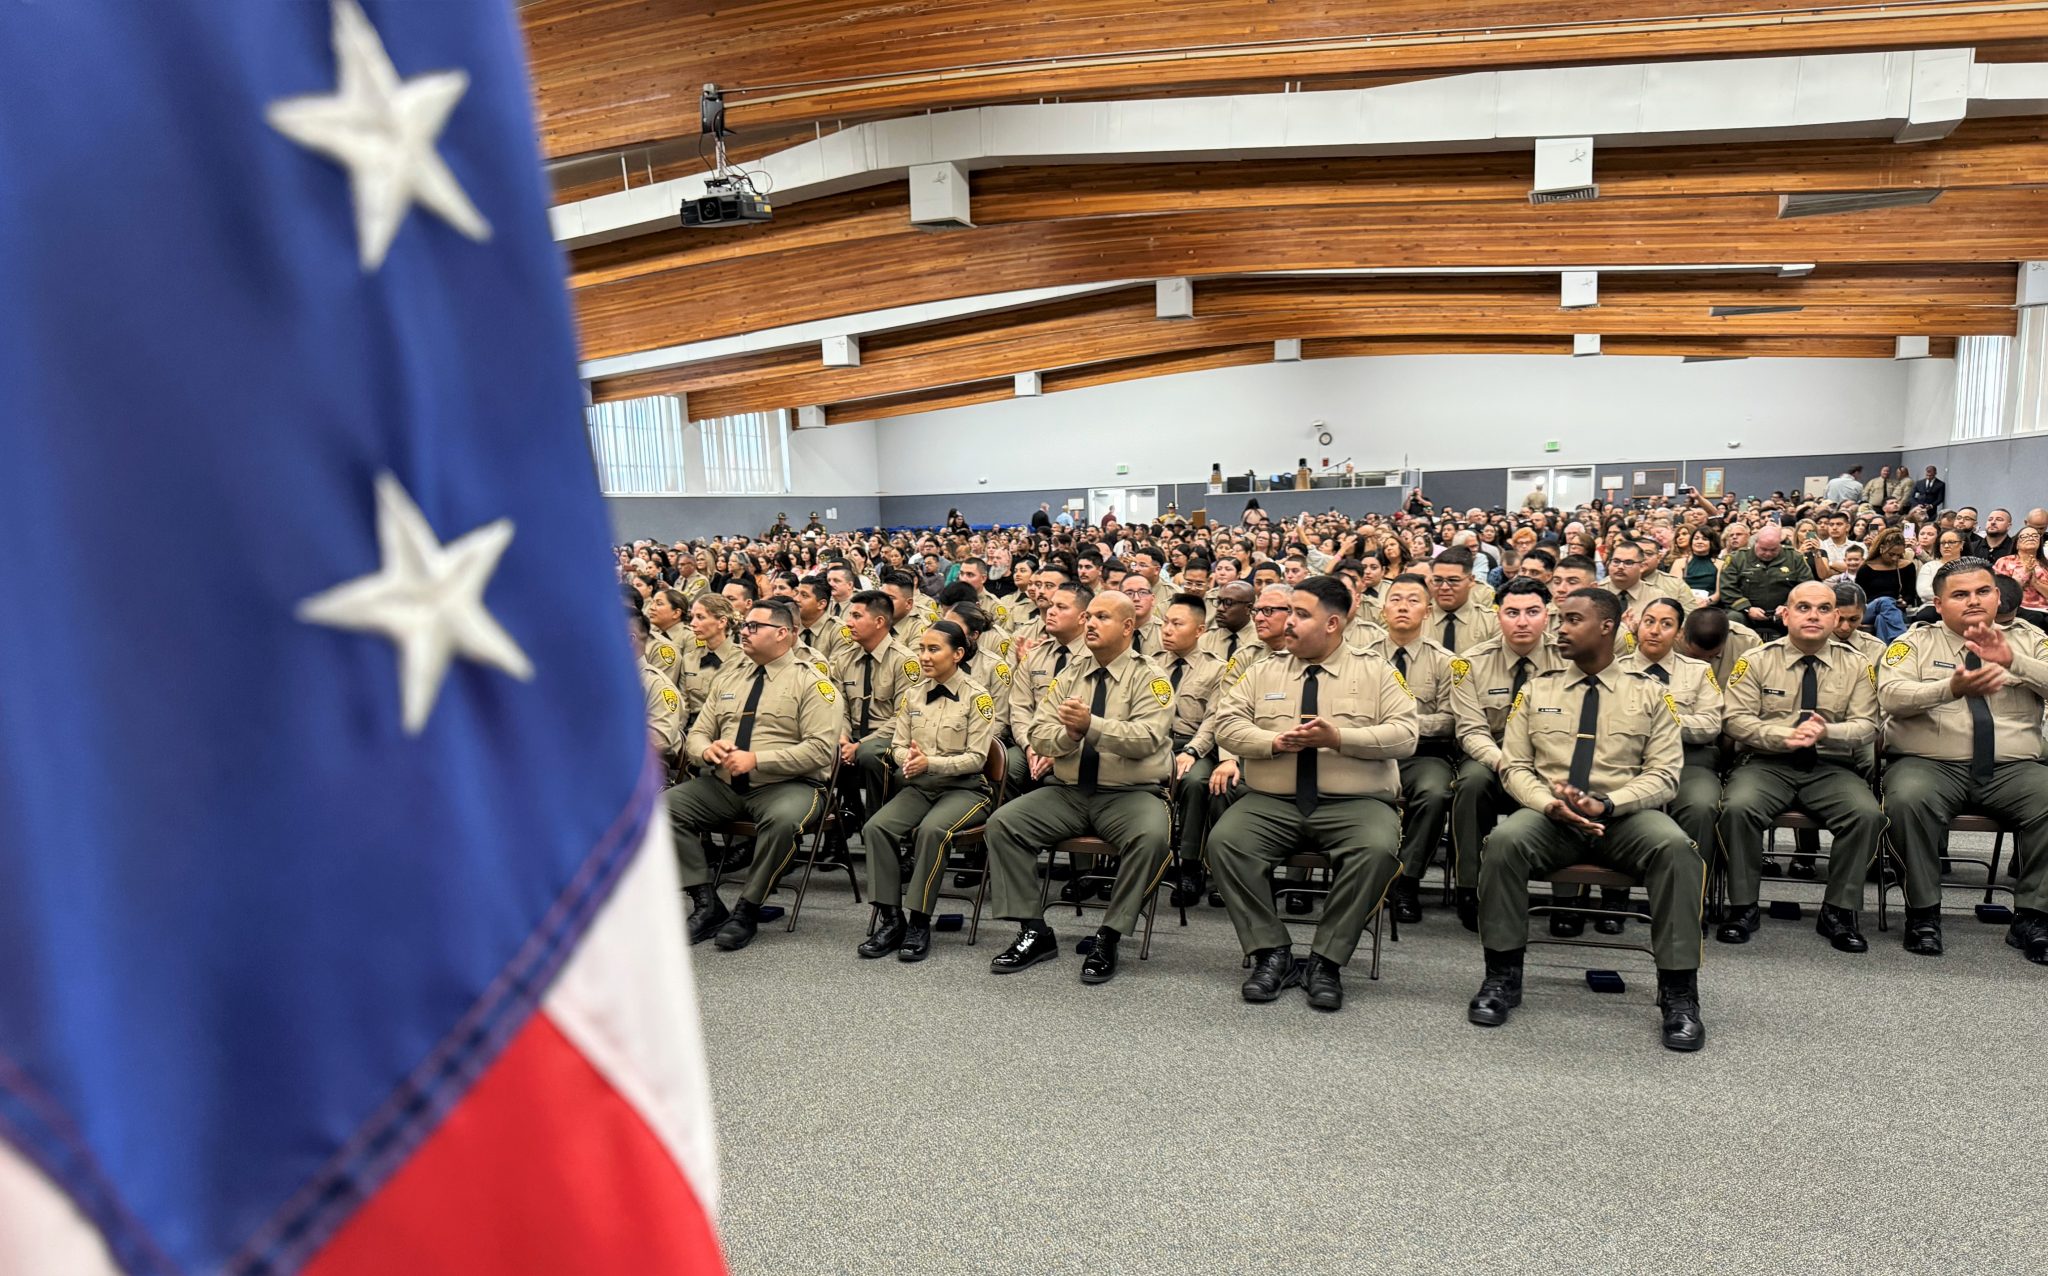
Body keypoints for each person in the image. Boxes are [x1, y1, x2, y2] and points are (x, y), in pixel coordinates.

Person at [1467, 587, 1706, 1053]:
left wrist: (1610, 803)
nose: (1561, 629)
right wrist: (1547, 804)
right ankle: (1502, 976)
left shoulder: (1651, 694)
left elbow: (1665, 775)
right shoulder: (1538, 690)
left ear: (1607, 627)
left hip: (1623, 818)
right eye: (1560, 619)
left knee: (1677, 849)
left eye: (1573, 619)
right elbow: (1514, 766)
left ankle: (1679, 993)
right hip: (1550, 818)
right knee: (1503, 842)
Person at [1208, 576, 1418, 1011]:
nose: (1288, 622)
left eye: (1301, 614)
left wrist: (1339, 737)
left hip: (1355, 803)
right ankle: (1272, 952)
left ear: (1333, 623)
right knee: (1226, 843)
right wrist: (1273, 742)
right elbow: (1227, 724)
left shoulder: (1375, 671)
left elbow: (1406, 735)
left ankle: (1326, 960)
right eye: (1289, 612)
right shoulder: (1263, 670)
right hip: (1272, 801)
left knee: (1377, 850)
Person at [982, 591, 1173, 984]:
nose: (1090, 623)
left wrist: (1091, 727)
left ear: (1127, 626)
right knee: (1004, 823)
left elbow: (1148, 738)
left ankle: (1110, 934)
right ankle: (1034, 931)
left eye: (1102, 617)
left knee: (1153, 836)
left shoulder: (1151, 676)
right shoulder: (1070, 673)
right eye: (1088, 616)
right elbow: (1039, 733)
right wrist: (1069, 736)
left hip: (1129, 794)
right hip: (1068, 790)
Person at [1878, 557, 2048, 963]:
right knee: (1906, 801)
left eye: (1982, 591)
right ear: (1939, 604)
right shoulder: (1914, 642)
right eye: (1960, 594)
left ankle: (2033, 916)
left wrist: (2014, 662)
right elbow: (1890, 696)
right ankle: (1923, 913)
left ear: (1997, 594)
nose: (1974, 601)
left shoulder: (2032, 640)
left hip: (2013, 768)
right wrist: (1949, 687)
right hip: (1930, 764)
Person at [668, 598, 845, 950]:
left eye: (753, 626)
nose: (743, 632)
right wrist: (706, 750)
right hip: (725, 784)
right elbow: (698, 732)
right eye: (744, 625)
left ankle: (747, 910)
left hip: (787, 786)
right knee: (660, 810)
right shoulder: (730, 677)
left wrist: (758, 760)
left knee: (781, 823)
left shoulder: (813, 684)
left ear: (782, 633)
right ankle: (707, 904)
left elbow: (820, 751)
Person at [1716, 581, 1883, 952]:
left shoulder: (1856, 665)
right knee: (1738, 808)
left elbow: (1868, 724)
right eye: (1804, 608)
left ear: (1836, 617)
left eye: (1824, 609)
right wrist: (1781, 736)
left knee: (1866, 814)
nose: (1814, 615)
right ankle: (1743, 906)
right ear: (1786, 615)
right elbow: (1735, 719)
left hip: (1831, 765)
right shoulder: (1757, 660)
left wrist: (1827, 732)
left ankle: (1839, 911)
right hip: (1766, 761)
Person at [857, 622, 999, 962]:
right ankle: (892, 920)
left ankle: (920, 922)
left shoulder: (978, 698)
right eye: (921, 648)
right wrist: (912, 759)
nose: (923, 656)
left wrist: (929, 762)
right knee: (876, 828)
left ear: (958, 654)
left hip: (964, 790)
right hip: (920, 787)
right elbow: (897, 746)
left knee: (933, 831)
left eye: (933, 649)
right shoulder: (913, 695)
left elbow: (977, 759)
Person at [1447, 578, 1563, 929]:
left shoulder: (1568, 660)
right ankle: (1472, 886)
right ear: (1499, 616)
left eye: (1532, 612)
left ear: (1548, 616)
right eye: (1512, 612)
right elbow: (1470, 730)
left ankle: (1567, 898)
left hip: (1549, 760)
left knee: (1577, 780)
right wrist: (1505, 763)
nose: (1522, 621)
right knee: (1469, 784)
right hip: (1493, 758)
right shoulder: (1470, 664)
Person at [1616, 598, 1723, 931]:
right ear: (1636, 626)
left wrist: (1664, 721)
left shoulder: (1698, 671)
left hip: (1685, 762)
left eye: (1666, 623)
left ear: (1678, 632)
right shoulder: (1613, 668)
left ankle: (1690, 901)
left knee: (1702, 805)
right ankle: (1614, 898)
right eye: (1649, 621)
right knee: (1611, 795)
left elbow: (1710, 724)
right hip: (1628, 762)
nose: (1655, 630)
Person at [1364, 573, 1459, 924]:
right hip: (1370, 752)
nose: (1403, 606)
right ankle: (1359, 875)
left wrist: (1402, 725)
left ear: (1429, 611)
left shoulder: (1446, 661)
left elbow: (1452, 720)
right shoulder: (1363, 657)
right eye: (1396, 599)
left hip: (1422, 755)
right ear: (1382, 609)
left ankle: (1407, 880)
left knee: (1436, 793)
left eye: (1413, 600)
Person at [1159, 593, 1232, 907]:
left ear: (1200, 630)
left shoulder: (1216, 669)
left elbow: (1214, 719)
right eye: (1165, 622)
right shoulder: (1150, 664)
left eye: (1177, 623)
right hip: (1154, 745)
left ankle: (1190, 866)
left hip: (1194, 748)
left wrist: (1191, 750)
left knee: (1194, 782)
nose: (1167, 629)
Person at [832, 589, 924, 820]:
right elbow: (839, 707)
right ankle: (844, 818)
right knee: (824, 748)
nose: (848, 622)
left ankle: (879, 822)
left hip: (888, 738)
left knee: (870, 755)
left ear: (879, 621)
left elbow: (903, 716)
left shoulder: (904, 661)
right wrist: (843, 737)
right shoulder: (844, 658)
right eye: (849, 615)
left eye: (856, 616)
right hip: (851, 736)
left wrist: (860, 744)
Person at [1720, 523, 1814, 639]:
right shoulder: (1737, 559)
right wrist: (1747, 608)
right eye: (1763, 549)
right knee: (1733, 619)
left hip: (1785, 612)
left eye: (1773, 550)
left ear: (1780, 544)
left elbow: (1805, 587)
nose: (1768, 553)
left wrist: (1788, 606)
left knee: (1804, 618)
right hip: (1747, 613)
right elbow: (1728, 588)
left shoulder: (1795, 558)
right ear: (1756, 543)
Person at [677, 594, 743, 721]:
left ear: (722, 622)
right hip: (693, 728)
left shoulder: (744, 659)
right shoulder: (689, 659)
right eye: (692, 617)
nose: (692, 624)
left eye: (700, 617)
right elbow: (683, 707)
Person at [1426, 546, 1500, 654]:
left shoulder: (1492, 623)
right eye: (1438, 580)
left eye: (1453, 580)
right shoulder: (1417, 619)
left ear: (1471, 580)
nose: (1444, 587)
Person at [1198, 580, 1263, 665]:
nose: (1220, 608)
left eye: (1228, 603)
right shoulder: (1206, 640)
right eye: (1219, 602)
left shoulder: (1261, 640)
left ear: (1248, 608)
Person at [1995, 525, 2048, 610]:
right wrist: (2026, 573)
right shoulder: (2005, 562)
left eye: (2035, 536)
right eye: (2025, 536)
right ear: (2017, 544)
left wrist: (2035, 582)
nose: (2031, 538)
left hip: (2044, 610)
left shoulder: (2045, 564)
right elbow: (2004, 592)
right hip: (2017, 609)